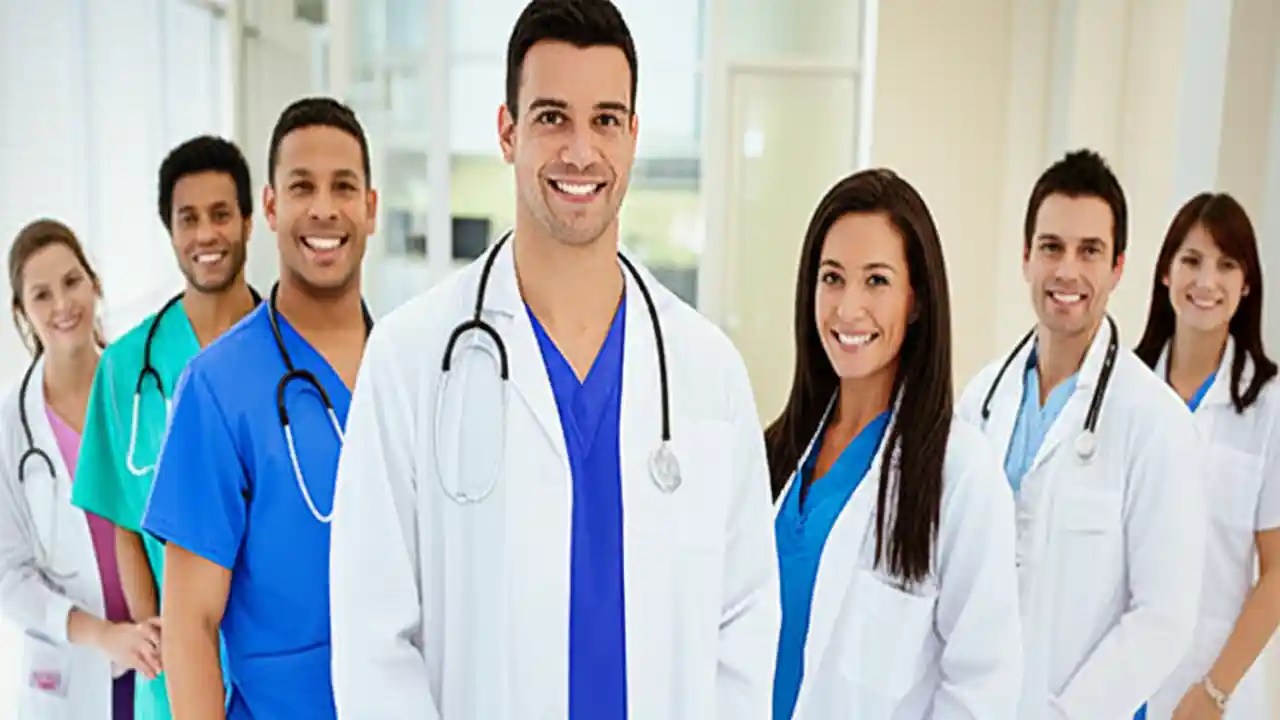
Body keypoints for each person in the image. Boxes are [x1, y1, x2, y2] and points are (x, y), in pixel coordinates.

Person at [327, 0, 781, 717]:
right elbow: (372, 634)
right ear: (507, 132)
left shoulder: (707, 371)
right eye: (551, 117)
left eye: (605, 120)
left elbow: (745, 620)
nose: (580, 151)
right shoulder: (411, 359)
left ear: (633, 136)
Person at [139, 96, 376, 720]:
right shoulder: (217, 387)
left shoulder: (408, 369)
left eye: (343, 186)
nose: (324, 208)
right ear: (270, 208)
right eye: (302, 187)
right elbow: (189, 624)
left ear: (371, 208)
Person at [957, 148, 1205, 718]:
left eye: (1089, 251)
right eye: (1051, 247)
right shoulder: (981, 402)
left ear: (1117, 267)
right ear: (1025, 258)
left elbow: (1163, 618)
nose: (1067, 271)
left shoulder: (1157, 424)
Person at [765, 169, 1022, 718]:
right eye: (832, 278)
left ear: (917, 300)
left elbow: (983, 688)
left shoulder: (961, 476)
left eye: (876, 281)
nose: (848, 308)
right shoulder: (778, 453)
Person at [70, 134, 261, 720]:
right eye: (188, 219)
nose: (206, 234)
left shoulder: (289, 357)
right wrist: (154, 628)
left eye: (221, 214)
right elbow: (125, 520)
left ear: (249, 222)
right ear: (171, 231)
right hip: (173, 678)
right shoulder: (126, 367)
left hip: (275, 668)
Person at [1133, 193, 1280, 719]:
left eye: (1226, 265)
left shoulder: (1268, 406)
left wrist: (1215, 691)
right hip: (1120, 678)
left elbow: (1277, 572)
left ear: (1247, 285)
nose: (1206, 281)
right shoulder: (1125, 390)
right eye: (1191, 260)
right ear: (1166, 273)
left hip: (1215, 685)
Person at [1, 219, 155, 719]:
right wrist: (105, 636)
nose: (63, 304)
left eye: (72, 282)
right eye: (42, 295)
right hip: (71, 674)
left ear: (95, 284)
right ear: (23, 313)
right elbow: (9, 577)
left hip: (158, 654)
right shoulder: (11, 427)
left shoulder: (141, 395)